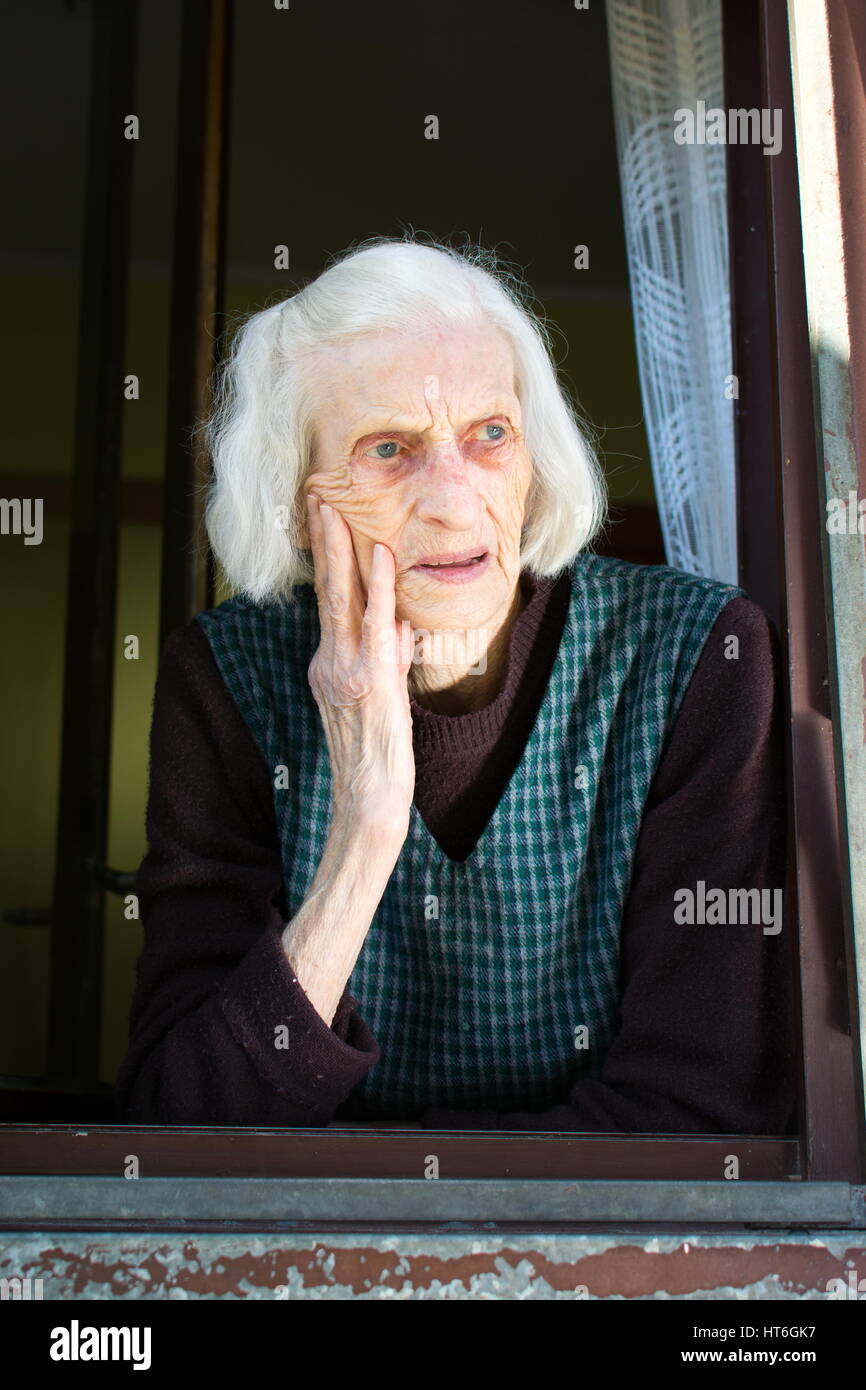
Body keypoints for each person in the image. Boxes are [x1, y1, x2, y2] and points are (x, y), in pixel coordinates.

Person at [115, 236, 795, 1132]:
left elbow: (695, 1118)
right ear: (291, 499)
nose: (454, 497)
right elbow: (182, 1123)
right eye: (389, 448)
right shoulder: (227, 682)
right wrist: (363, 835)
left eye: (490, 436)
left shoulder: (692, 662)